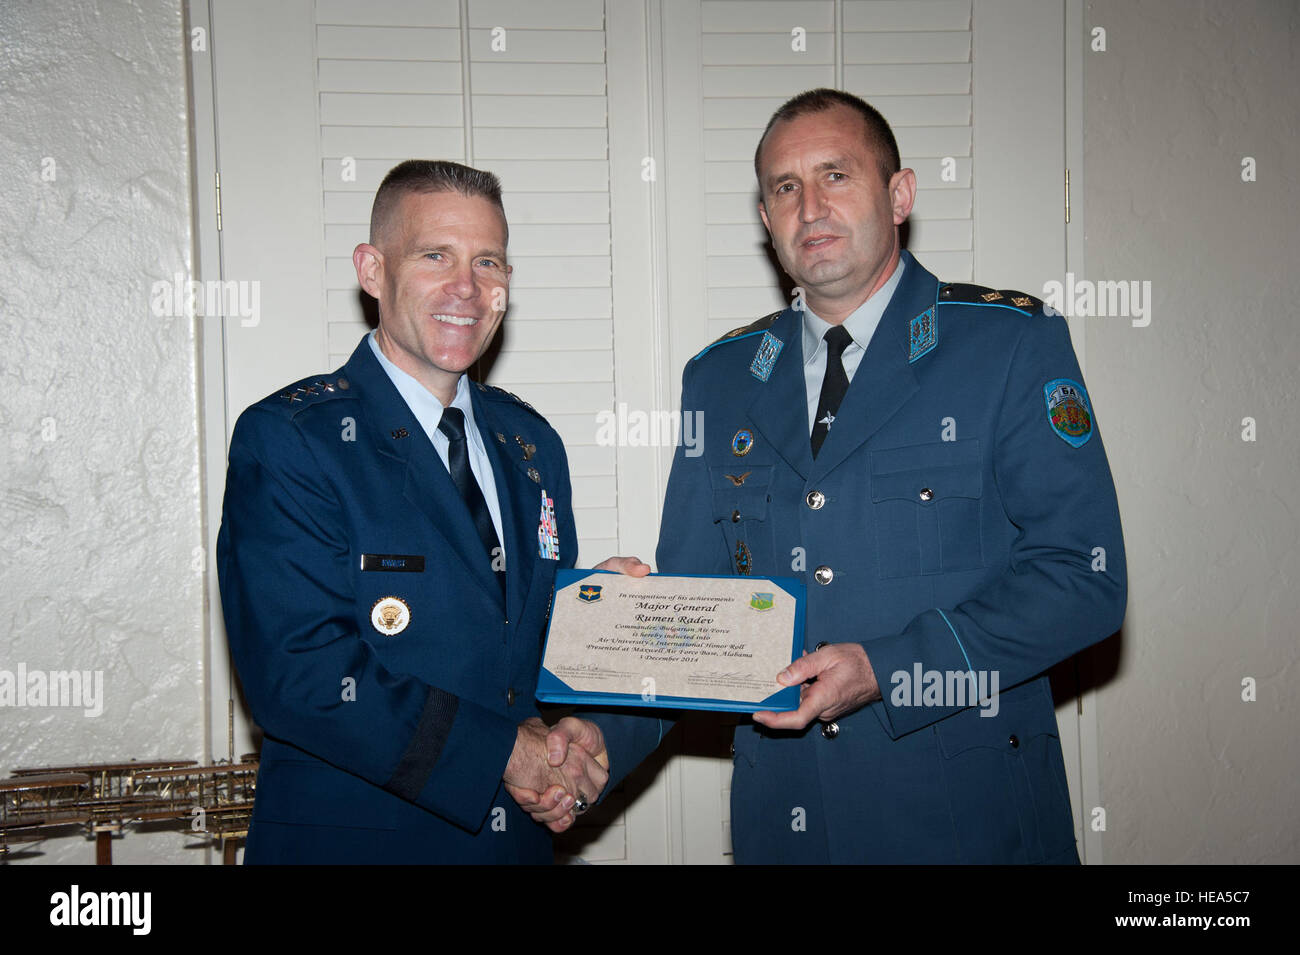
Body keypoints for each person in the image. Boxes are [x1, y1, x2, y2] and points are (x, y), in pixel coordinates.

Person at [530, 89, 1127, 863]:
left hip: (968, 820)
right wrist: (596, 743)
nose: (809, 206)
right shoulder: (721, 378)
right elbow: (695, 624)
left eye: (836, 176)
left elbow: (1084, 577)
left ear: (900, 193)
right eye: (784, 188)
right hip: (786, 823)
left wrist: (889, 668)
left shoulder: (1007, 345)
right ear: (765, 219)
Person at [216, 160, 636, 863]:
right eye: (434, 255)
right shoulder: (294, 439)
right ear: (373, 269)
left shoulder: (532, 444)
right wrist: (504, 753)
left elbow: (512, 648)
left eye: (488, 260)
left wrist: (601, 613)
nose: (466, 287)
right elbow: (302, 674)